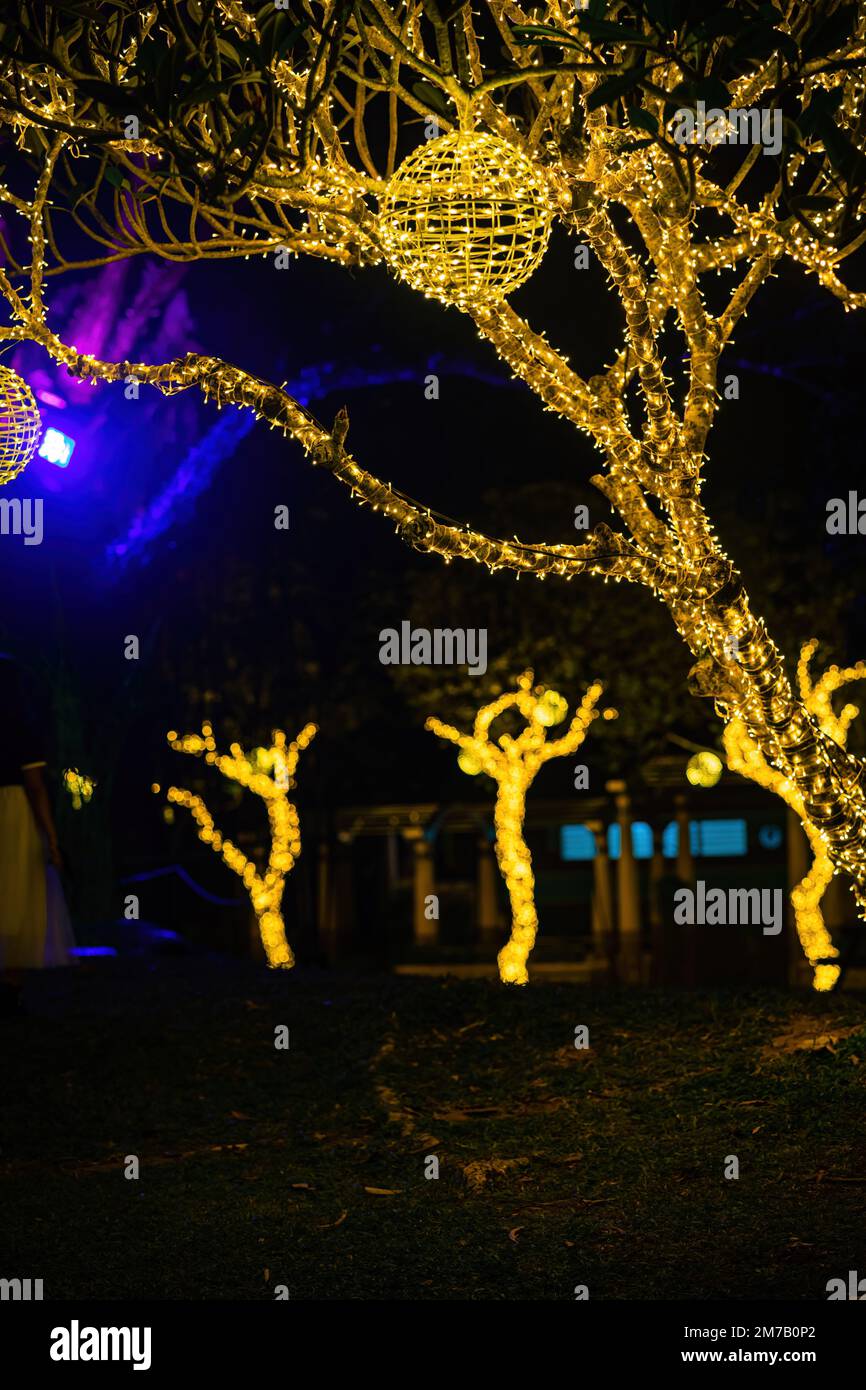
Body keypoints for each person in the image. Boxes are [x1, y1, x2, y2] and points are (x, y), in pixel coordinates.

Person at [0, 654, 74, 1011]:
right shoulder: (21, 727)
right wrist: (51, 837)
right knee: (16, 893)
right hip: (13, 812)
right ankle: (10, 984)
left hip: (13, 808)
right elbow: (36, 785)